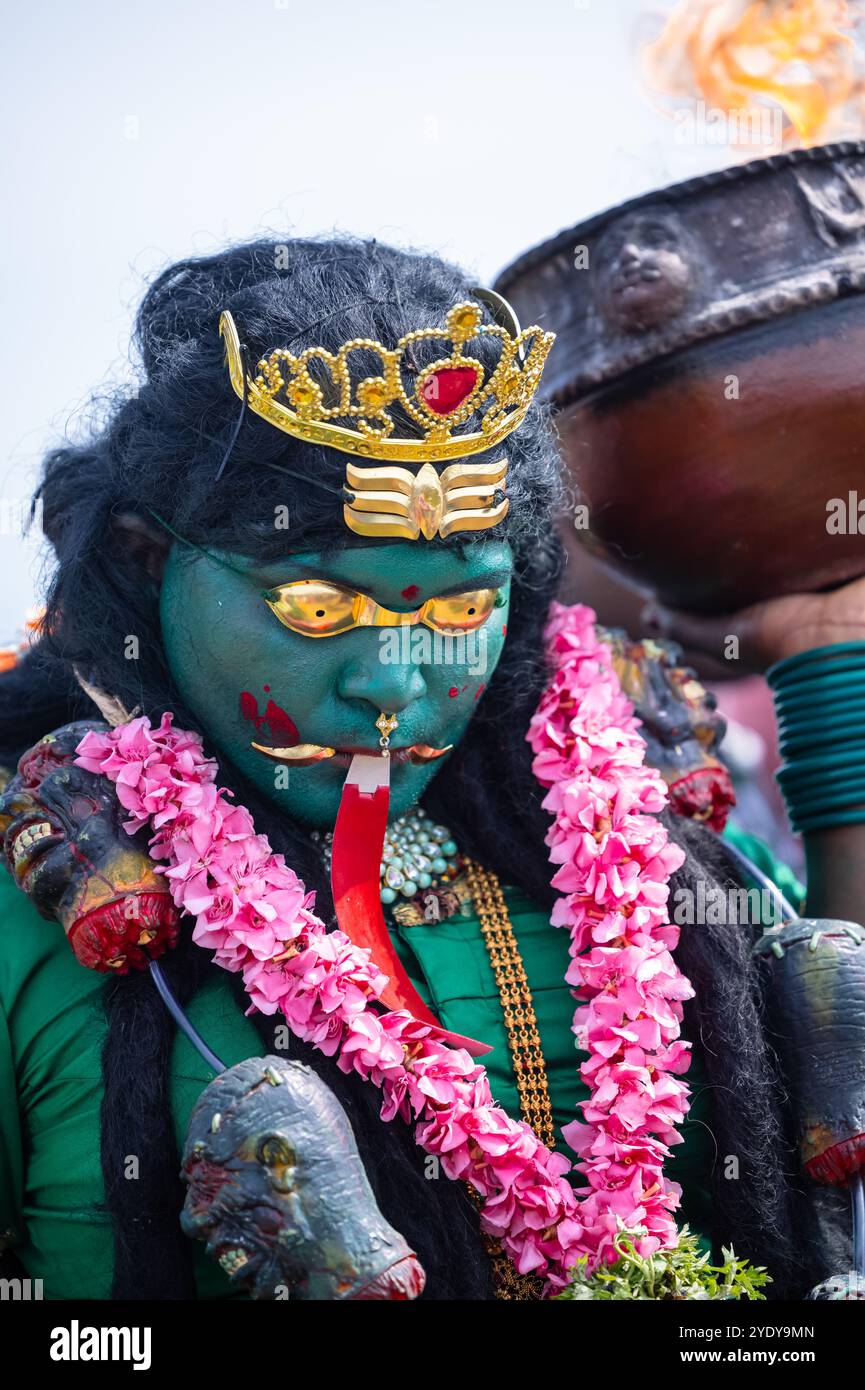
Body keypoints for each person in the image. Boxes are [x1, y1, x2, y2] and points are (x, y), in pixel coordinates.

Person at [0, 237, 859, 1301]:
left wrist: (829, 651)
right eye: (317, 608)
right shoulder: (44, 885)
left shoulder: (625, 843)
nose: (396, 688)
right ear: (144, 559)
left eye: (457, 608)